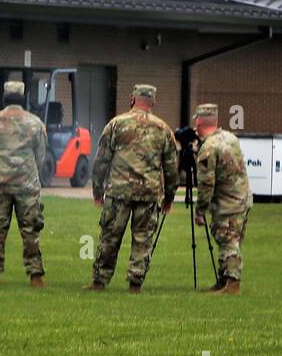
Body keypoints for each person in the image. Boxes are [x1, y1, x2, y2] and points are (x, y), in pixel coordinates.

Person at [85, 84, 179, 294]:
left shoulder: (116, 124)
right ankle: (135, 284)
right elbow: (172, 167)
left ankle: (99, 281)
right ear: (153, 102)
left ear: (132, 99)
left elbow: (101, 160)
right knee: (142, 239)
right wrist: (169, 197)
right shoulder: (163, 129)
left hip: (119, 192)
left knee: (110, 236)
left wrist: (97, 191)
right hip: (149, 193)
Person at [0, 80, 48, 287]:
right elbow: (41, 155)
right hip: (27, 185)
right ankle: (36, 276)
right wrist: (31, 173)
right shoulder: (35, 123)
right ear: (24, 98)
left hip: (0, 183)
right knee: (30, 230)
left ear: (4, 98)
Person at [193, 103, 253, 295]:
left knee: (227, 241)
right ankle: (223, 280)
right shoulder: (230, 138)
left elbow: (206, 184)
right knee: (232, 240)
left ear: (198, 122)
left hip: (227, 203)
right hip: (242, 199)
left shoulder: (208, 148)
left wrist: (200, 210)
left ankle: (232, 284)